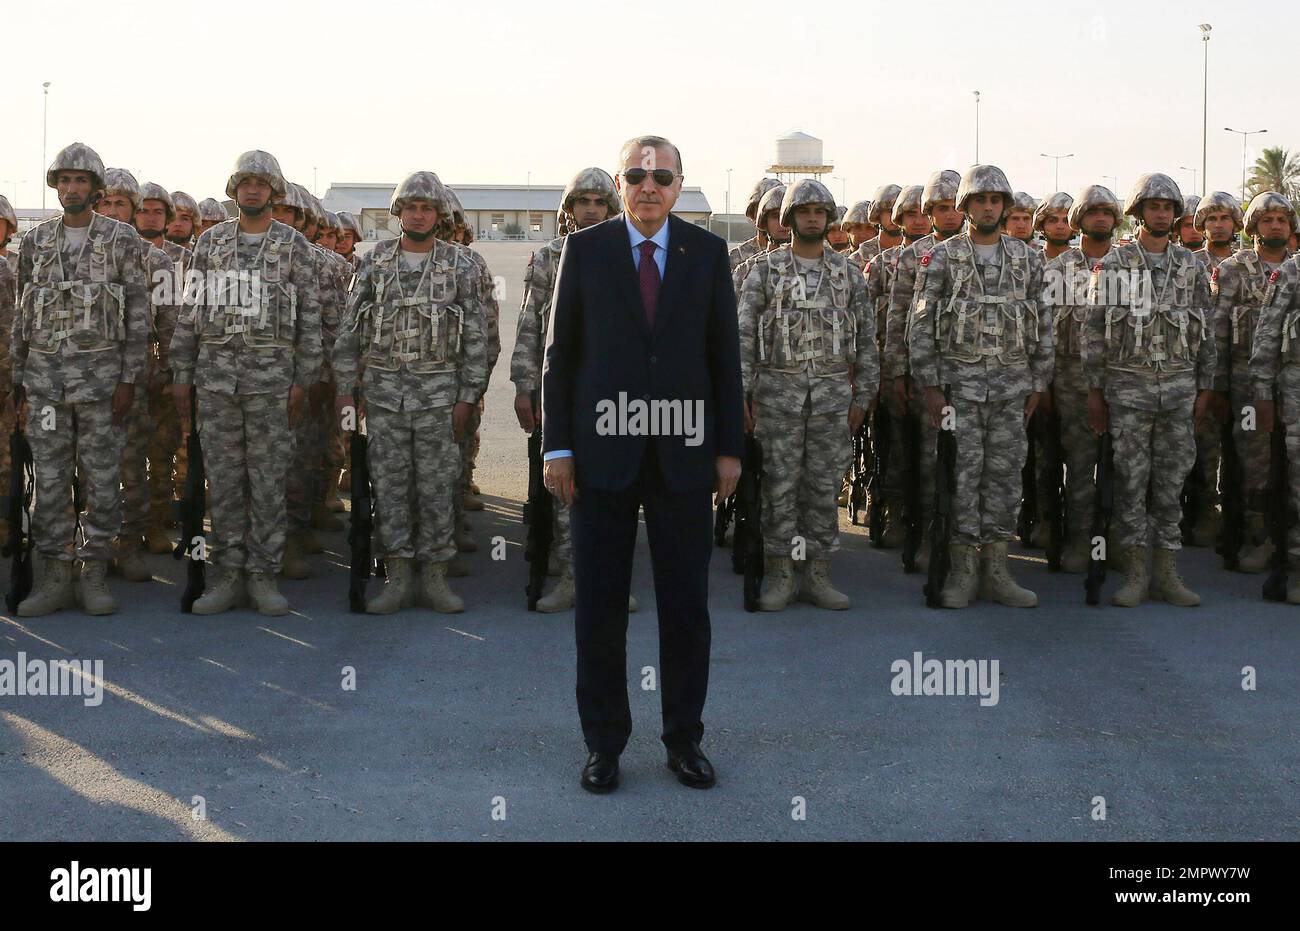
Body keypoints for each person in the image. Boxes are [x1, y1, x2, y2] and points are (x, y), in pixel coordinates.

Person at [542, 134, 743, 793]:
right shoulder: (586, 250)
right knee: (598, 606)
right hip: (602, 455)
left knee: (686, 608)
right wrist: (559, 447)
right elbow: (561, 358)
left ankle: (684, 741)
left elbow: (724, 359)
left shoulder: (708, 253)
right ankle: (604, 744)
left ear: (680, 185)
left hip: (684, 457)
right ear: (622, 184)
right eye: (637, 174)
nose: (649, 184)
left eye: (662, 175)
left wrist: (728, 448)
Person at [169, 150, 323, 616]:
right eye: (245, 182)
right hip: (216, 385)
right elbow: (190, 311)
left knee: (269, 481)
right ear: (233, 189)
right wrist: (181, 372)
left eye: (261, 183)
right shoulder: (210, 244)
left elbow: (310, 321)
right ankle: (228, 575)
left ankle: (262, 575)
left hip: (272, 385)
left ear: (274, 191)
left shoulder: (294, 246)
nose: (252, 190)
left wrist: (303, 379)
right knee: (226, 484)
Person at [333, 171, 487, 613]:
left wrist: (467, 397)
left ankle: (435, 578)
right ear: (398, 212)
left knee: (438, 489)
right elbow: (349, 330)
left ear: (439, 215)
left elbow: (475, 336)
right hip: (383, 398)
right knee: (390, 488)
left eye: (427, 208)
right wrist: (347, 391)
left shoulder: (461, 264)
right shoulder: (375, 261)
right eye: (411, 207)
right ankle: (397, 577)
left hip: (440, 399)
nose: (419, 215)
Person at [11, 143, 149, 616]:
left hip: (102, 384)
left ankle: (92, 571)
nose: (72, 189)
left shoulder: (121, 240)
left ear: (95, 188)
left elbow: (137, 313)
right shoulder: (35, 242)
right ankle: (53, 573)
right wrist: (16, 378)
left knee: (102, 479)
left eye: (81, 181)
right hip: (45, 382)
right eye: (64, 181)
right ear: (56, 186)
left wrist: (130, 378)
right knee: (49, 480)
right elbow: (22, 315)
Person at [910, 165, 1052, 608]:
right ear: (966, 206)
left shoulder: (1029, 258)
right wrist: (931, 386)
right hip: (959, 389)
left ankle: (997, 567)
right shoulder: (943, 257)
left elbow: (1044, 322)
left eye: (995, 201)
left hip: (1011, 388)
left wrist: (1039, 381)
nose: (987, 207)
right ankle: (962, 569)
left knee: (1005, 478)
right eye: (979, 201)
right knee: (960, 477)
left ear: (1005, 207)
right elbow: (920, 323)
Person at [737, 179, 878, 610]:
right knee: (779, 488)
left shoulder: (848, 273)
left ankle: (815, 573)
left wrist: (863, 396)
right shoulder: (765, 270)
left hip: (832, 401)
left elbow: (868, 339)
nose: (813, 217)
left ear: (829, 218)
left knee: (821, 488)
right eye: (804, 211)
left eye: (820, 211)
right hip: (777, 399)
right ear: (790, 218)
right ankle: (781, 573)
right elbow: (742, 337)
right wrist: (742, 395)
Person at [509, 166, 636, 613]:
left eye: (600, 202)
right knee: (563, 485)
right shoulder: (548, 256)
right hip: (562, 387)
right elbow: (529, 324)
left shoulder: (630, 254)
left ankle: (613, 582)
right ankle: (569, 577)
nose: (591, 210)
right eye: (583, 202)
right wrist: (525, 386)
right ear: (569, 209)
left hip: (618, 393)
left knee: (618, 488)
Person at [1083, 172, 1214, 607]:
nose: (1161, 213)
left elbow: (1206, 332)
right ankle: (1136, 571)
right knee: (1131, 482)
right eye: (1153, 206)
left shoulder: (1192, 266)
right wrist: (1095, 391)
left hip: (1178, 391)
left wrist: (1205, 388)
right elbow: (1095, 330)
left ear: (1176, 215)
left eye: (1168, 207)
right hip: (1128, 392)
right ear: (1138, 213)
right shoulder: (1116, 265)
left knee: (1170, 482)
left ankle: (1167, 572)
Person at [1210, 191, 1297, 572]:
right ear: (1253, 227)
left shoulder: (1295, 270)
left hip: (1291, 384)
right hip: (1246, 388)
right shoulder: (1232, 269)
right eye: (1267, 220)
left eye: (1281, 220)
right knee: (1252, 463)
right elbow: (1216, 332)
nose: (1275, 225)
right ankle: (1253, 536)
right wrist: (1215, 387)